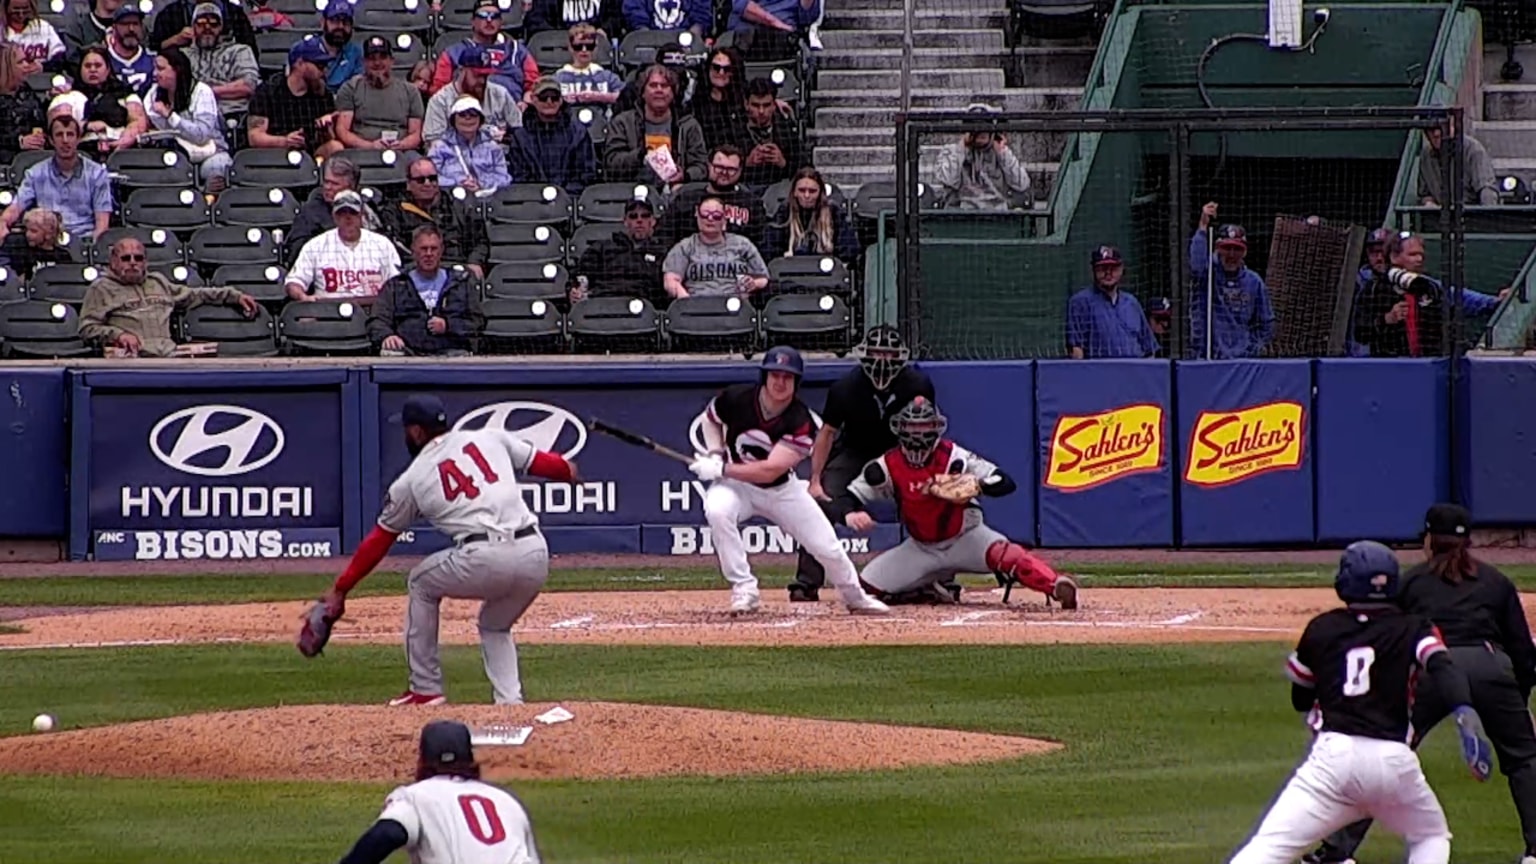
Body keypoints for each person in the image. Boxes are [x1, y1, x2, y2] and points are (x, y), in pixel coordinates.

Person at [1226, 540, 1493, 864]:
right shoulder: (1413, 626)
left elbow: (1301, 696)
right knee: (1430, 836)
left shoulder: (1322, 628)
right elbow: (1441, 665)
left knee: (1268, 848)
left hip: (1333, 761)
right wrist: (1464, 710)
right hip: (1395, 762)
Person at [1306, 504, 1536, 864]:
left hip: (1432, 672)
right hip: (1490, 667)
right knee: (1524, 760)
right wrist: (1515, 702)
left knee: (1379, 760)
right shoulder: (1496, 581)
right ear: (1469, 540)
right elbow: (1524, 652)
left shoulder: (1411, 582)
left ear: (1429, 539)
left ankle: (1336, 853)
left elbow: (1387, 637)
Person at [315, 393, 576, 706]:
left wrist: (341, 589)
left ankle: (425, 689)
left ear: (416, 432)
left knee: (420, 583)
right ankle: (510, 704)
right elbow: (560, 469)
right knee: (494, 625)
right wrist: (568, 469)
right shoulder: (490, 437)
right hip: (535, 553)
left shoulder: (410, 480)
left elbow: (379, 540)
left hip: (484, 558)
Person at [687, 345, 890, 616]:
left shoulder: (801, 420)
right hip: (737, 488)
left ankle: (855, 596)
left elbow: (771, 470)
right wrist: (714, 452)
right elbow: (711, 420)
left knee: (825, 546)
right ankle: (744, 589)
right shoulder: (736, 398)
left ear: (796, 382)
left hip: (781, 490)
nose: (780, 382)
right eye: (775, 375)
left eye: (788, 377)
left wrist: (721, 469)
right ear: (765, 376)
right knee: (717, 509)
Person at [829, 396, 1079, 608]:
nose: (918, 435)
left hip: (966, 538)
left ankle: (1054, 585)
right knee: (862, 593)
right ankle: (920, 590)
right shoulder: (886, 466)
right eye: (913, 428)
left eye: (924, 428)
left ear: (936, 429)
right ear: (901, 430)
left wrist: (973, 486)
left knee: (1007, 553)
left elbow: (1004, 482)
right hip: (920, 548)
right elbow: (846, 498)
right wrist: (850, 514)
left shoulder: (955, 458)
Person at [787, 325, 936, 602]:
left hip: (901, 451)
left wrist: (929, 474)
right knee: (819, 502)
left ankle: (935, 582)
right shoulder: (846, 388)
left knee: (931, 499)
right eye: (876, 354)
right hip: (855, 450)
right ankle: (806, 582)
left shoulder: (917, 384)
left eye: (888, 354)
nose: (882, 361)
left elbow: (928, 434)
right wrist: (816, 479)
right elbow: (827, 433)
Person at [334, 719, 543, 864]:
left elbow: (388, 833)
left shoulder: (417, 796)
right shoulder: (505, 801)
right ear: (470, 760)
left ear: (423, 761)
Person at [78, 237, 260, 357]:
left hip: (168, 356)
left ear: (145, 262)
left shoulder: (158, 282)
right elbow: (86, 328)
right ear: (113, 262)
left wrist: (233, 295)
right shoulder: (101, 288)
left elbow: (194, 294)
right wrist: (119, 335)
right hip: (130, 359)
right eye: (126, 258)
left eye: (138, 258)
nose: (133, 263)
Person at [367, 224, 484, 357]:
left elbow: (477, 324)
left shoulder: (461, 283)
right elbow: (377, 321)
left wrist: (448, 326)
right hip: (408, 353)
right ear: (413, 251)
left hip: (453, 352)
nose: (429, 254)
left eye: (433, 249)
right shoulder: (396, 285)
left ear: (441, 251)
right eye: (423, 249)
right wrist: (387, 336)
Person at [0, 113, 112, 239]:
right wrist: (3, 222)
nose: (65, 140)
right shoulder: (35, 173)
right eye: (59, 135)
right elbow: (16, 208)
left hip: (84, 241)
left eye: (70, 135)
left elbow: (102, 225)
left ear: (78, 139)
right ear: (51, 141)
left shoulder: (97, 174)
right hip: (47, 241)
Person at [1189, 201, 1274, 359]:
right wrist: (1202, 228)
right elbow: (1196, 265)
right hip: (1207, 358)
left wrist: (1251, 348)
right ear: (1217, 248)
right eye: (1227, 248)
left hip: (1242, 362)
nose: (1232, 254)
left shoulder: (1254, 282)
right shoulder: (1207, 275)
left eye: (1237, 249)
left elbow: (1266, 322)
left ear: (1245, 251)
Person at [284, 189, 401, 301]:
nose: (348, 218)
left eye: (352, 213)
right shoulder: (315, 246)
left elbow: (396, 283)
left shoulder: (382, 244)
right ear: (334, 217)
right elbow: (294, 282)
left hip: (374, 310)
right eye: (342, 213)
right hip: (329, 312)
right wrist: (303, 297)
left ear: (361, 216)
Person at [143, 46, 232, 191]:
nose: (155, 74)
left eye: (161, 69)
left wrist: (170, 116)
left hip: (209, 151)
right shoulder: (153, 94)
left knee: (216, 167)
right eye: (155, 68)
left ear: (176, 70)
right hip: (173, 152)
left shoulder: (202, 91)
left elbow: (202, 135)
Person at [383, 156, 488, 278]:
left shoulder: (457, 206)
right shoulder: (396, 210)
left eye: (432, 179)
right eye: (421, 180)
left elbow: (480, 240)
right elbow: (394, 246)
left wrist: (474, 262)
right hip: (414, 270)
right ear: (409, 184)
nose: (428, 184)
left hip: (456, 269)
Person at [603, 64, 707, 187]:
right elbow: (611, 163)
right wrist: (640, 156)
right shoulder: (622, 123)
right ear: (642, 92)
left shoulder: (688, 125)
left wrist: (685, 175)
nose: (659, 90)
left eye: (664, 86)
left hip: (676, 192)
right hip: (632, 190)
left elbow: (701, 166)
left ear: (673, 92)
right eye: (653, 85)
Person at [247, 36, 341, 158]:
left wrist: (324, 130)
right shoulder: (268, 91)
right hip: (274, 153)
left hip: (310, 155)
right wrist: (285, 141)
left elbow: (327, 140)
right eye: (319, 65)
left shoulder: (323, 94)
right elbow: (254, 137)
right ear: (300, 63)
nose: (324, 71)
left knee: (335, 147)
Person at [428, 0, 539, 102]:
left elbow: (534, 84)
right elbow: (439, 90)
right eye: (483, 16)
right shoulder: (454, 53)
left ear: (501, 22)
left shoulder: (517, 50)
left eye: (494, 16)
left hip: (511, 109)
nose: (489, 20)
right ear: (473, 21)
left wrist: (526, 100)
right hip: (468, 114)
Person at [662, 196, 769, 299]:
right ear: (698, 217)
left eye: (716, 215)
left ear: (724, 219)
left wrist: (754, 284)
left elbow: (763, 278)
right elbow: (670, 281)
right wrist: (686, 300)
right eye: (705, 214)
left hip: (734, 306)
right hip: (695, 306)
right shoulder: (684, 247)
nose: (710, 219)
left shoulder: (743, 245)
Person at [506, 76, 596, 196]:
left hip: (572, 199)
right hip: (531, 202)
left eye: (554, 97)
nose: (549, 102)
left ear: (561, 100)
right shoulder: (520, 137)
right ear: (533, 99)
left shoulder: (579, 133)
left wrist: (564, 196)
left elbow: (585, 173)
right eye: (543, 97)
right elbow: (519, 175)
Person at [333, 35, 424, 153]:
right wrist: (369, 146)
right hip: (361, 150)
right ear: (364, 62)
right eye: (372, 58)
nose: (377, 63)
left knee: (422, 168)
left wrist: (401, 145)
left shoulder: (410, 91)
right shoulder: (350, 88)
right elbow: (342, 131)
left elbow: (416, 133)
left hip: (402, 151)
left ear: (392, 61)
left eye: (382, 57)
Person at [1065, 244, 1159, 359]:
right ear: (1094, 270)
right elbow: (1076, 349)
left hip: (1134, 373)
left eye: (1113, 267)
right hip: (1100, 373)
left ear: (1121, 269)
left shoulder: (1132, 302)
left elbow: (1148, 348)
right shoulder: (1080, 302)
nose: (1108, 272)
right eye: (1103, 268)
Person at [932, 104, 1032, 211]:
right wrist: (962, 149)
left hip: (998, 213)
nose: (980, 132)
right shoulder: (952, 151)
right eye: (975, 128)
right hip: (963, 213)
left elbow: (1022, 184)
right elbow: (949, 181)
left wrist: (1002, 153)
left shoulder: (1002, 153)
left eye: (985, 127)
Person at [573, 194, 668, 305]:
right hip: (603, 303)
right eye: (633, 216)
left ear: (653, 221)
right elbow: (580, 274)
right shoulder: (603, 248)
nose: (639, 220)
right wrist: (574, 290)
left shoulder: (662, 252)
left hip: (643, 308)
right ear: (625, 221)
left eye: (645, 216)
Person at [423, 46, 520, 146]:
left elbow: (520, 133)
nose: (482, 81)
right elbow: (434, 145)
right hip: (456, 159)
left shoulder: (500, 95)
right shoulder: (440, 101)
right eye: (477, 76)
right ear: (461, 71)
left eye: (485, 76)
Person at [760, 166, 859, 263]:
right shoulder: (784, 213)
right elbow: (769, 250)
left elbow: (849, 249)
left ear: (820, 192)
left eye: (812, 191)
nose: (806, 195)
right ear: (794, 192)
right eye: (802, 190)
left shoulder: (834, 213)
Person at [182, 3, 259, 119]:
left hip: (231, 113)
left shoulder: (240, 51)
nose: (207, 28)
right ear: (193, 27)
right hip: (191, 114)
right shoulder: (183, 55)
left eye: (213, 24)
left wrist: (207, 92)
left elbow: (248, 86)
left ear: (221, 27)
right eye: (201, 23)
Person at [428, 95, 512, 197]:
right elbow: (431, 178)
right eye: (462, 114)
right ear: (453, 119)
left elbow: (504, 178)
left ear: (480, 120)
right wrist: (459, 183)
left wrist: (481, 184)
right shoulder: (440, 147)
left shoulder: (493, 147)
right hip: (451, 199)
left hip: (488, 200)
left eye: (473, 114)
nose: (468, 118)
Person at [551, 24, 623, 109]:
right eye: (578, 47)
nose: (584, 50)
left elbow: (625, 97)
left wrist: (600, 97)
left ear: (595, 47)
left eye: (589, 46)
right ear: (570, 47)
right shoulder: (558, 78)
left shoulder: (607, 76)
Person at [0, 41, 48, 164]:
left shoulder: (26, 90)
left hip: (32, 157)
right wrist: (19, 141)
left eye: (26, 60)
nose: (27, 65)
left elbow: (40, 120)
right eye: (20, 62)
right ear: (6, 67)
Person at [0, 207, 68, 279]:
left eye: (33, 231)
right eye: (26, 229)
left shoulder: (63, 256)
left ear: (48, 234)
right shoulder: (18, 250)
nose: (28, 234)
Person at [103, 3, 153, 96]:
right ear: (114, 28)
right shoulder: (103, 60)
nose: (131, 29)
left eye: (135, 24)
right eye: (125, 24)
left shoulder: (153, 60)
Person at [314, 0, 361, 93]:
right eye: (335, 21)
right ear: (323, 22)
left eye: (346, 22)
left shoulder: (357, 53)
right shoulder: (305, 49)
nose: (341, 27)